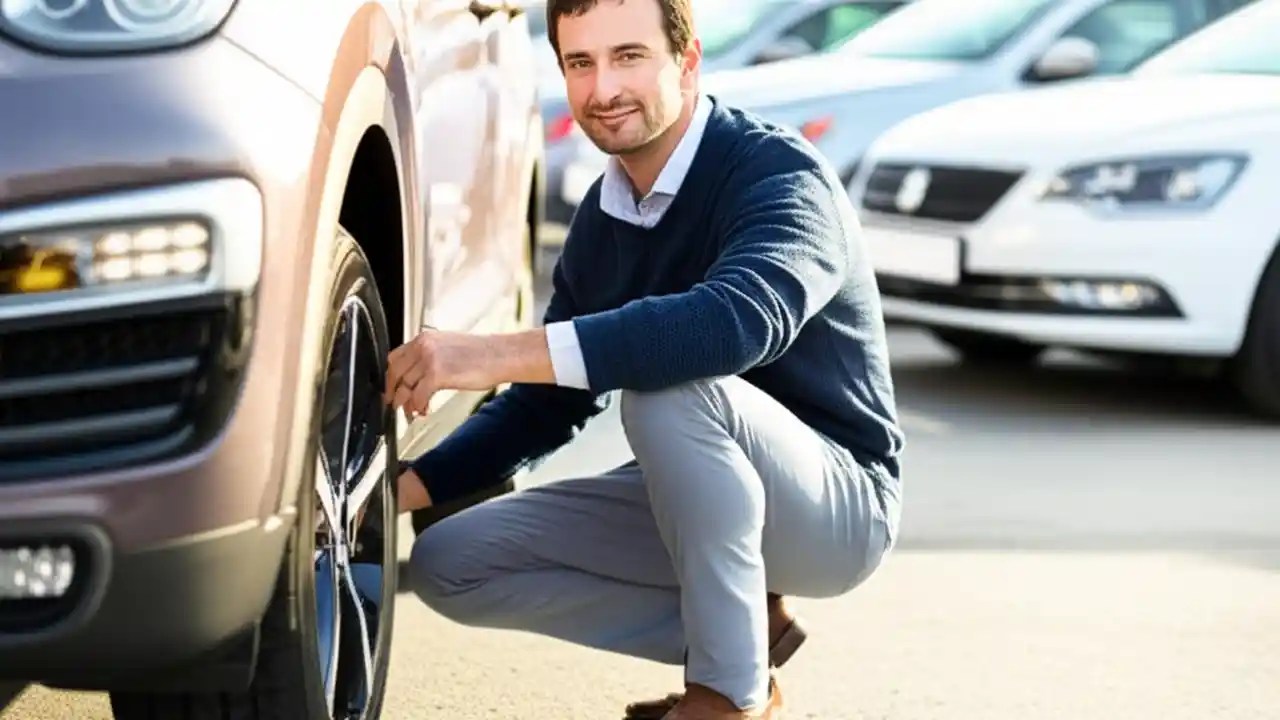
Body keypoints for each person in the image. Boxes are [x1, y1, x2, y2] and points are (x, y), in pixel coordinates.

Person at [384, 0, 905, 716]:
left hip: (836, 506)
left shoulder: (778, 177)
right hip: (695, 495)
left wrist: (489, 354)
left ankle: (726, 696)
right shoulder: (606, 218)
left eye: (629, 57)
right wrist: (400, 492)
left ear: (687, 63)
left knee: (669, 388)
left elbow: (735, 324)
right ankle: (745, 635)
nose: (602, 90)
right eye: (580, 63)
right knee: (452, 563)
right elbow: (549, 404)